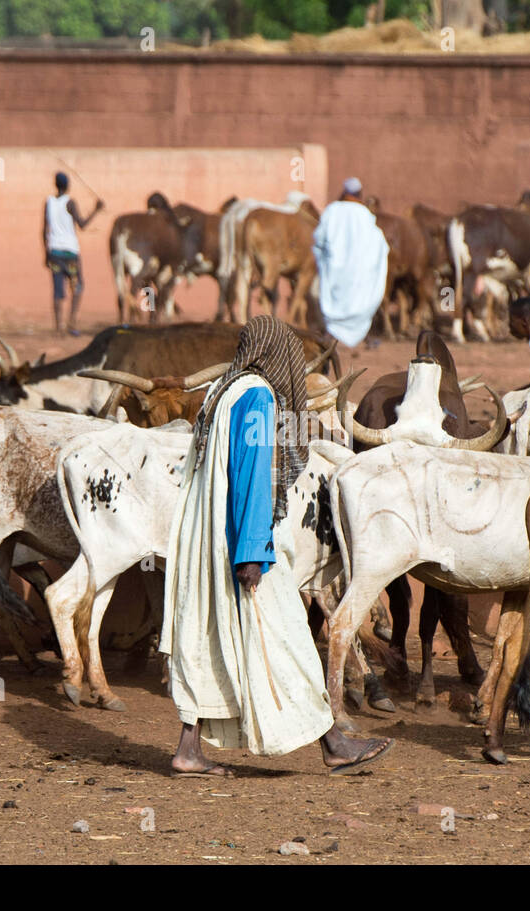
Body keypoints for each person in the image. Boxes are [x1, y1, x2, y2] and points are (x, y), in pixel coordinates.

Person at [159, 315, 394, 777]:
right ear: (277, 355)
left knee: (209, 636)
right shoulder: (257, 397)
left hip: (208, 540)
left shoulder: (221, 391)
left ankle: (189, 750)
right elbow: (251, 478)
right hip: (246, 546)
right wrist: (251, 551)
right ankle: (335, 743)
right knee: (291, 640)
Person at [311, 177, 389, 348]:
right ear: (359, 194)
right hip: (359, 271)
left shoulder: (332, 210)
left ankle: (331, 333)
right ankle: (362, 335)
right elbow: (379, 243)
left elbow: (318, 238)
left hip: (334, 270)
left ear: (344, 193)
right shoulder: (364, 214)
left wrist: (327, 257)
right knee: (361, 298)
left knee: (331, 298)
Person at [44, 171, 103, 337]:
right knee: (77, 286)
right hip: (70, 253)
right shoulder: (70, 203)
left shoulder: (48, 202)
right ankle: (72, 322)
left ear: (56, 185)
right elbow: (82, 224)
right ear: (67, 185)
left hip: (54, 251)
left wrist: (46, 254)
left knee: (57, 290)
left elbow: (44, 229)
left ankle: (58, 326)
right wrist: (97, 210)